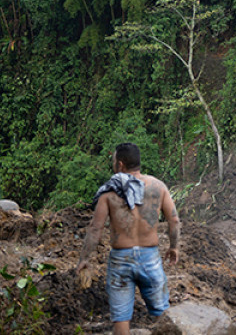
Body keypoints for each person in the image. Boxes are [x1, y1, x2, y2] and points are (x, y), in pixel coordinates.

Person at [78, 143, 180, 335]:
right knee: (162, 315)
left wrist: (84, 258)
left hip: (120, 260)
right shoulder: (158, 187)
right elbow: (174, 220)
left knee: (121, 318)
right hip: (150, 258)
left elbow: (95, 228)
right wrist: (174, 247)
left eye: (114, 161)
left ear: (121, 164)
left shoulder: (109, 192)